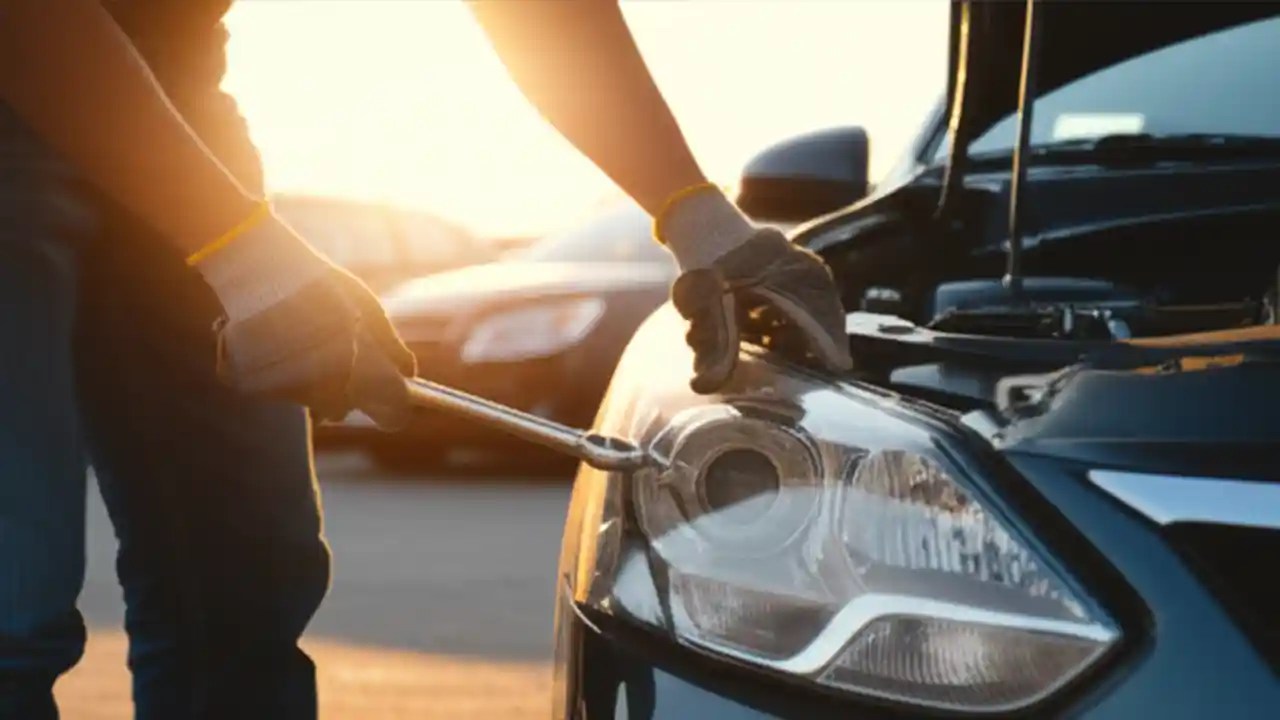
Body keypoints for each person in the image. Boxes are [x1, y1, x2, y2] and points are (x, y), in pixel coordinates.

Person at [0, 1, 850, 718]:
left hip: (179, 88)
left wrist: (703, 221)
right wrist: (242, 252)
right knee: (13, 609)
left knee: (240, 587)